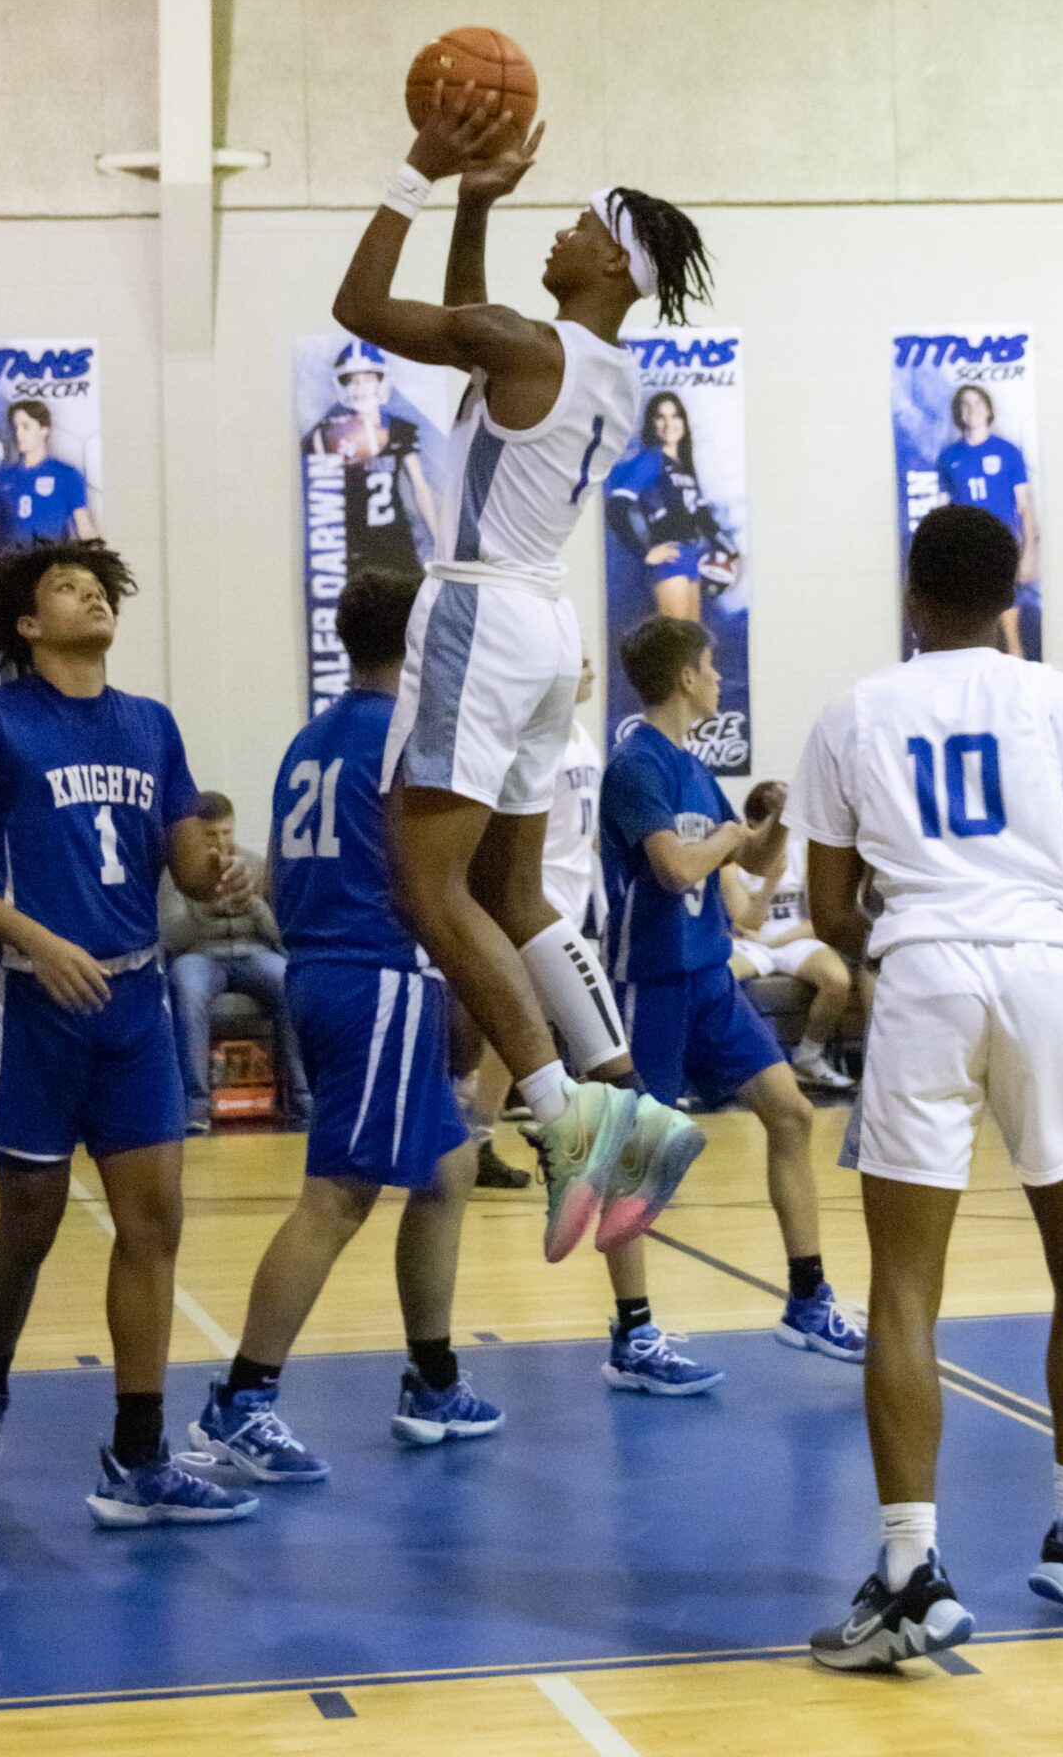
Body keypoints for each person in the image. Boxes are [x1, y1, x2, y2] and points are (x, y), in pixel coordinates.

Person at [790, 503, 1063, 1672]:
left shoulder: (853, 709)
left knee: (903, 1288)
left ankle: (910, 1574)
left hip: (922, 972)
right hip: (1047, 974)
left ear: (910, 595)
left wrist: (914, 925)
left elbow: (827, 910)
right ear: (1010, 597)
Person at [333, 81, 714, 1264]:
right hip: (545, 622)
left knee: (424, 885)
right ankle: (624, 1104)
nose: (562, 230)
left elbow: (358, 307)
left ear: (612, 262)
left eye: (581, 224)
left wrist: (418, 170)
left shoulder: (526, 344)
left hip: (478, 613)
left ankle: (564, 1128)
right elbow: (475, 320)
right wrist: (475, 208)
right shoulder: (602, 370)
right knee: (515, 894)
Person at [0, 538, 258, 1528]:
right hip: (31, 1002)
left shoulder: (150, 724)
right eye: (68, 588)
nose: (91, 596)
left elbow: (185, 866)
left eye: (99, 586)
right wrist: (34, 937)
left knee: (153, 1225)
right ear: (29, 625)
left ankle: (138, 1456)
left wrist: (219, 874)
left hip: (133, 1002)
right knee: (29, 1224)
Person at [188, 572, 500, 1480]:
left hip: (321, 970)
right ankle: (243, 1402)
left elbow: (287, 875)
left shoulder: (310, 739)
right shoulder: (410, 738)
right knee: (336, 1198)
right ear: (425, 640)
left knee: (447, 1169)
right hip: (376, 977)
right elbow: (436, 882)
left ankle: (432, 1380)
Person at [601, 616, 865, 1380]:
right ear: (685, 677)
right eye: (711, 667)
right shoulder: (635, 765)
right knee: (637, 1157)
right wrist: (725, 838)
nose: (720, 679)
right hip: (650, 983)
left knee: (791, 1113)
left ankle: (807, 1300)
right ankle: (632, 1337)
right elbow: (678, 869)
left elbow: (747, 859)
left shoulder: (691, 766)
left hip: (709, 979)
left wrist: (784, 817)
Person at [460, 655, 608, 1190]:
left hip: (574, 896)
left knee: (532, 1025)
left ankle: (481, 1135)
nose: (590, 670)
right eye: (579, 661)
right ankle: (495, 1136)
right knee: (525, 1023)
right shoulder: (532, 737)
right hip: (535, 896)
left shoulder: (583, 739)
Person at [160, 791, 312, 1130]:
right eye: (210, 835)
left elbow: (281, 935)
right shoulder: (178, 874)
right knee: (186, 987)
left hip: (254, 952)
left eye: (226, 832)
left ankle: (303, 1101)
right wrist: (208, 907)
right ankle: (196, 1107)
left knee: (290, 980)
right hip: (200, 955)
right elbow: (172, 937)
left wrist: (254, 906)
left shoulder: (256, 865)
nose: (220, 841)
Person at [723, 780, 856, 1093]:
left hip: (790, 938)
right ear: (751, 824)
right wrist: (771, 882)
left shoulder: (804, 853)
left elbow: (819, 921)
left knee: (838, 980)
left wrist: (773, 942)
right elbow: (745, 921)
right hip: (748, 942)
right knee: (720, 980)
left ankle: (808, 1059)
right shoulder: (733, 862)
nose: (778, 836)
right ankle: (735, 1065)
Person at [303, 341, 441, 574]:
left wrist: (438, 536)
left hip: (395, 539)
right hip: (353, 542)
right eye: (352, 380)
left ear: (381, 382)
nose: (360, 387)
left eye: (367, 379)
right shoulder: (330, 435)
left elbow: (419, 486)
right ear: (342, 386)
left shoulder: (399, 429)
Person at [606, 391, 738, 623]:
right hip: (671, 560)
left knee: (691, 641)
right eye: (661, 417)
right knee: (674, 640)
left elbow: (701, 517)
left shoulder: (683, 466)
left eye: (675, 416)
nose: (668, 424)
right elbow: (616, 505)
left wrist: (733, 553)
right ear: (652, 423)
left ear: (684, 422)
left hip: (692, 559)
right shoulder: (650, 460)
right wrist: (644, 552)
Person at [935, 384, 1038, 657]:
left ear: (989, 409)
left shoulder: (1007, 452)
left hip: (1002, 548)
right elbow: (943, 514)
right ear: (959, 413)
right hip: (965, 552)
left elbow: (1025, 506)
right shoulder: (948, 457)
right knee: (973, 632)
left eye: (978, 402)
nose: (973, 409)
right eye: (965, 404)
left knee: (1009, 633)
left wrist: (1029, 553)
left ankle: (1016, 678)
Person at [0, 398, 97, 552]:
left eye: (26, 427)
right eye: (15, 427)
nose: (18, 433)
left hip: (51, 564)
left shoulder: (67, 475)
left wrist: (100, 560)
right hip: (11, 564)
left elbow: (84, 527)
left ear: (44, 429)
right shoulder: (1, 477)